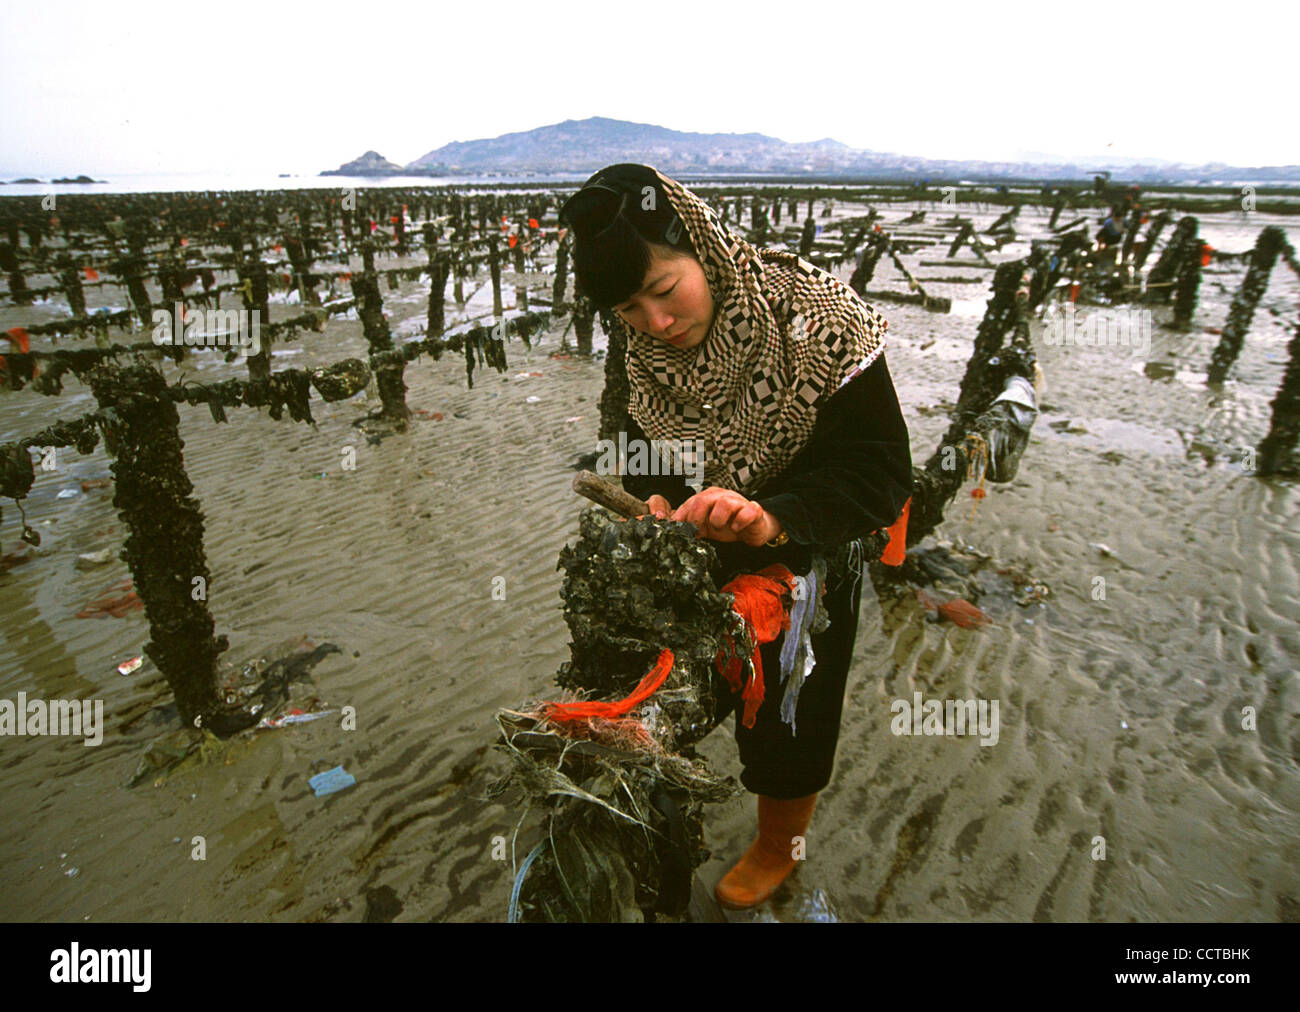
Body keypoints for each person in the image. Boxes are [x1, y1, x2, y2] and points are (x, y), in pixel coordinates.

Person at [558, 164, 913, 910]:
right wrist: (655, 498)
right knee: (651, 681)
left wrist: (771, 516)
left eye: (664, 289)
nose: (656, 323)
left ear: (700, 244)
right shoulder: (640, 354)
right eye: (628, 308)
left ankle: (779, 845)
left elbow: (878, 473)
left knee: (793, 706)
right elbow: (629, 444)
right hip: (696, 547)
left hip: (812, 550)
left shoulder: (820, 319)